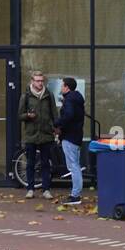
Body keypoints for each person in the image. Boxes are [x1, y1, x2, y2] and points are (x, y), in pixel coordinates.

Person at [18, 70, 58, 199]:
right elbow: (20, 115)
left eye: (42, 81)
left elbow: (54, 113)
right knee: (30, 163)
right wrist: (28, 116)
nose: (40, 83)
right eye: (37, 81)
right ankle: (30, 189)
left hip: (46, 134)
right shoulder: (26, 96)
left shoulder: (48, 95)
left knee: (46, 163)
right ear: (32, 81)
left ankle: (46, 189)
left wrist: (56, 127)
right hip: (31, 134)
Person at [55, 77, 85, 206]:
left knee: (73, 166)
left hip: (69, 136)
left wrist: (57, 124)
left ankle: (75, 195)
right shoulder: (77, 98)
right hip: (76, 135)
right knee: (75, 165)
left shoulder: (69, 100)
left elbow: (68, 115)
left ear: (67, 87)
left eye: (62, 86)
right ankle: (75, 193)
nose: (61, 88)